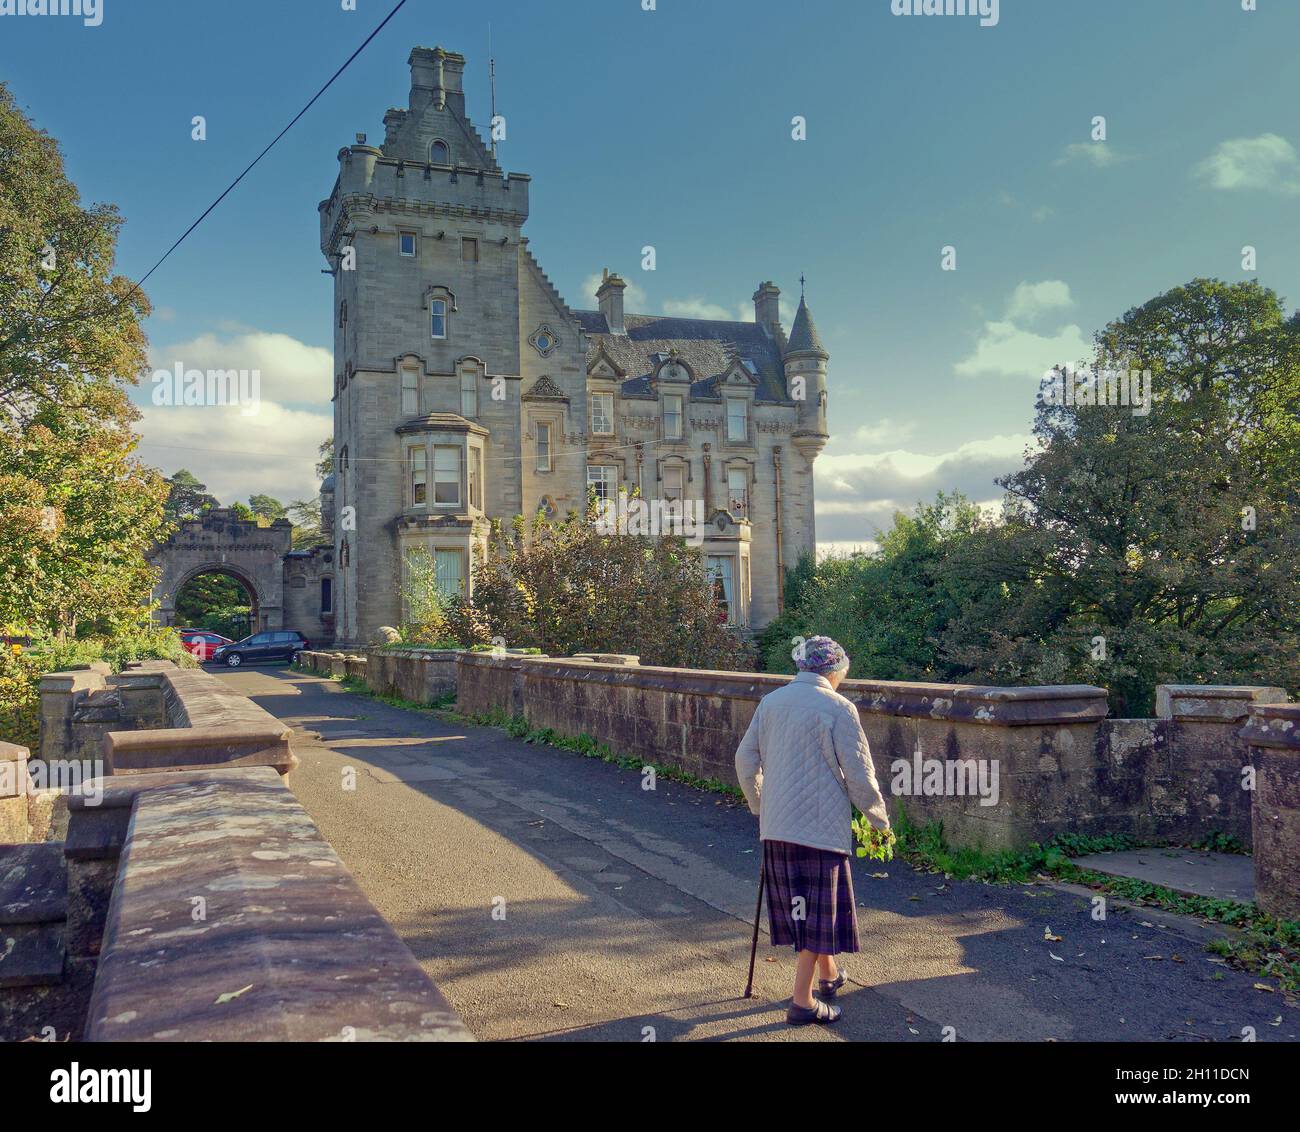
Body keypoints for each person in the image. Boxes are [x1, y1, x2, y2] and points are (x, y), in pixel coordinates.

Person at [735, 636, 891, 1025]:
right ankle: (802, 1001)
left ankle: (829, 974)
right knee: (817, 914)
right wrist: (879, 821)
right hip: (820, 831)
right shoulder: (839, 708)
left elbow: (744, 758)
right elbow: (859, 774)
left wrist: (759, 804)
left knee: (801, 905)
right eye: (842, 673)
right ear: (832, 671)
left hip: (776, 828)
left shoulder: (771, 703)